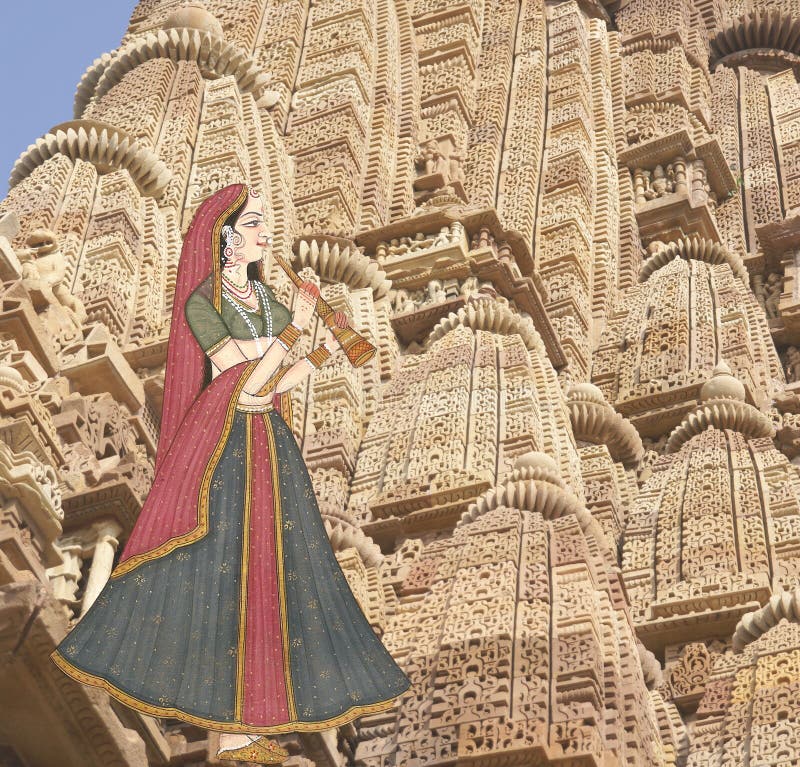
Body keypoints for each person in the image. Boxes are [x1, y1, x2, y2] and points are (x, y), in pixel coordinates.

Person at [51, 184, 412, 764]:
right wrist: (294, 332)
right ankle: (226, 730)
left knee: (268, 574)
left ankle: (247, 728)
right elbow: (240, 381)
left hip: (269, 442)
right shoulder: (204, 302)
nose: (265, 237)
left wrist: (323, 351)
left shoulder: (269, 301)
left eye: (264, 226)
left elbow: (277, 383)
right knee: (219, 572)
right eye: (252, 226)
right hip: (222, 434)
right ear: (223, 238)